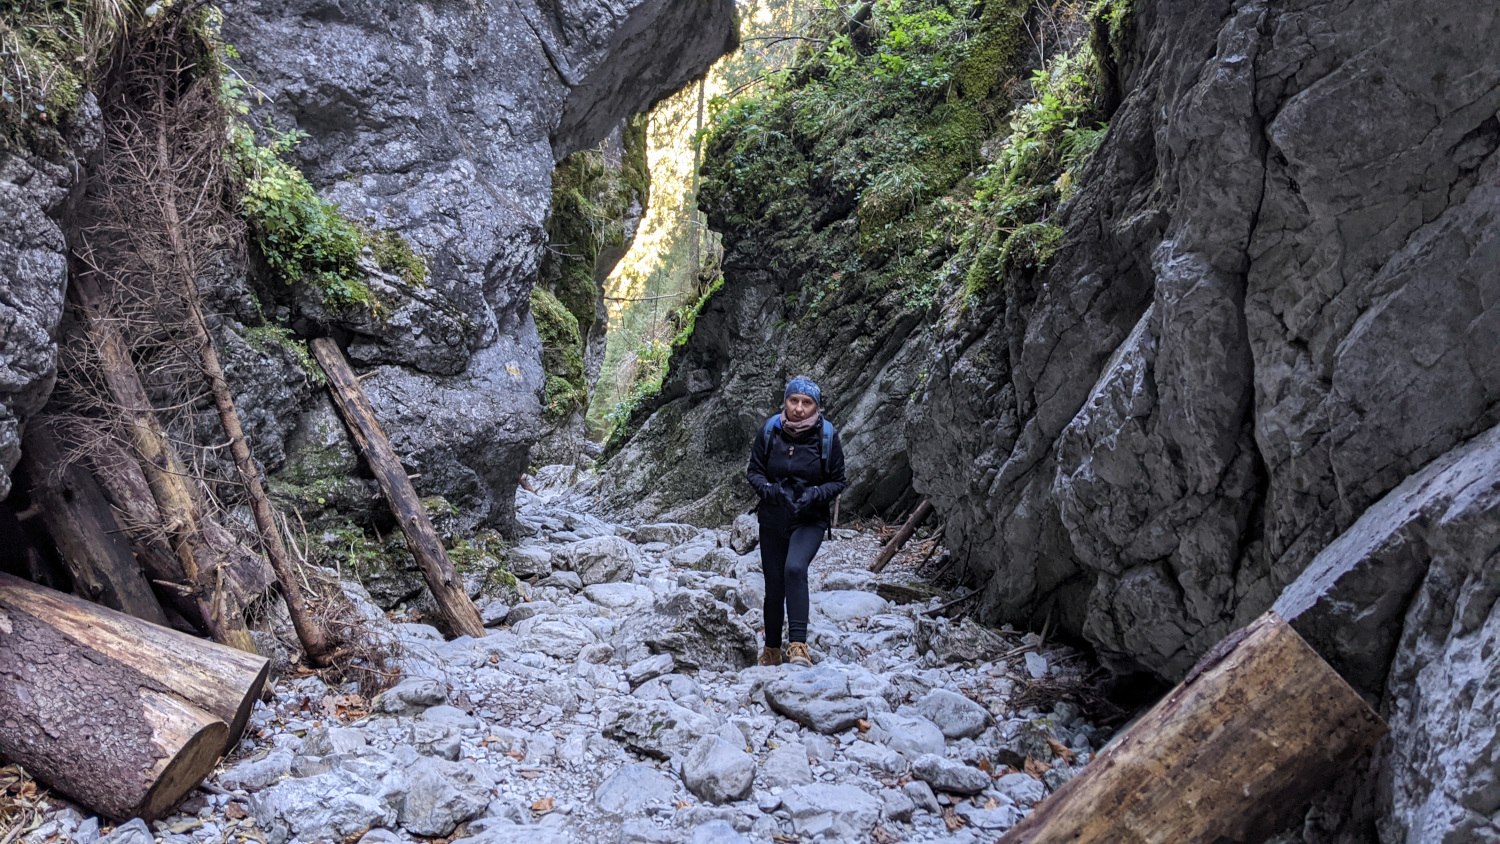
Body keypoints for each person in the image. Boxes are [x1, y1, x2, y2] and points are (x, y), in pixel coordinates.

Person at [746, 375, 847, 667]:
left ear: (816, 406)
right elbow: (754, 471)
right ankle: (771, 650)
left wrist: (816, 494)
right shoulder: (769, 431)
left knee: (794, 568)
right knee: (774, 585)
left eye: (807, 403)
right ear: (785, 401)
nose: (799, 408)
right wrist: (769, 490)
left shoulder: (827, 436)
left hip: (809, 518)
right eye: (794, 401)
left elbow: (839, 480)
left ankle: (798, 646)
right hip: (773, 518)